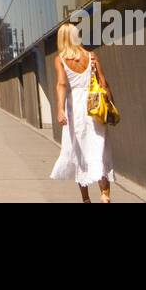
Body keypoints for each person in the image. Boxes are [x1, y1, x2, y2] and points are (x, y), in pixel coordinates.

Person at [49, 22, 115, 203]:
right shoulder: (91, 56)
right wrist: (110, 106)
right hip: (94, 106)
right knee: (98, 148)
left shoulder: (60, 59)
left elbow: (62, 84)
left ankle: (86, 199)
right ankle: (105, 194)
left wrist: (60, 109)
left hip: (76, 109)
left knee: (79, 152)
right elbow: (103, 83)